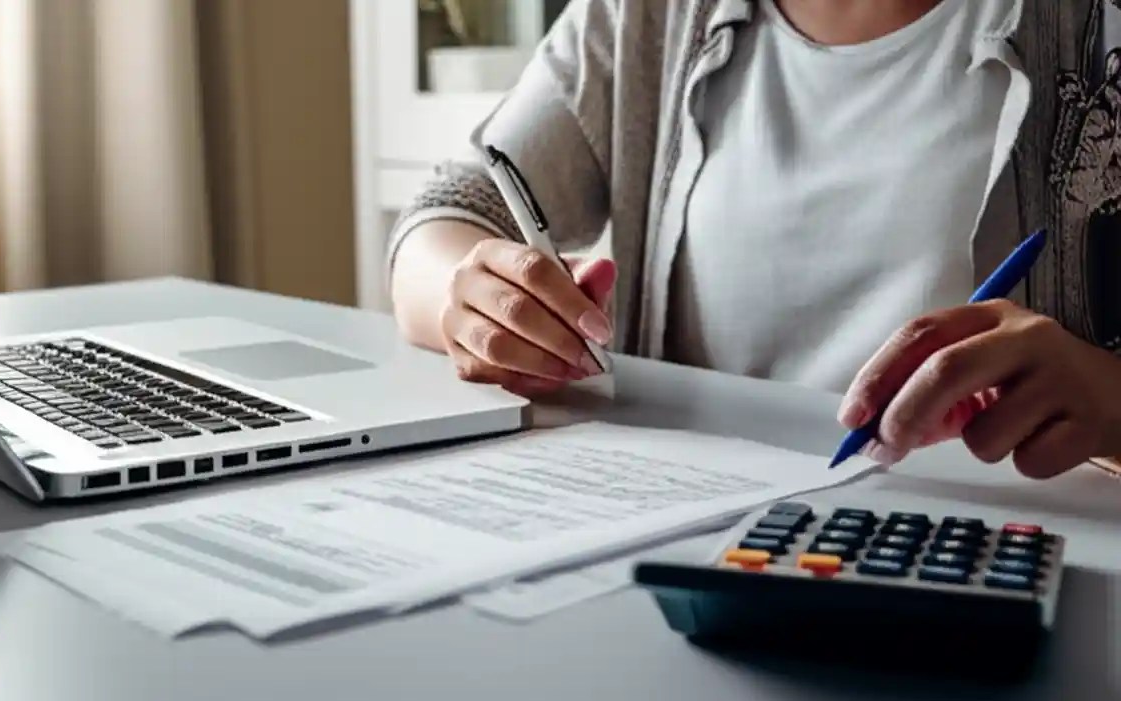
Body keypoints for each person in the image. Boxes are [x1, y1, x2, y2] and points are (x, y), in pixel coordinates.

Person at [387, 0, 1121, 479]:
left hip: (989, 568)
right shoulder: (649, 17)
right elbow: (453, 210)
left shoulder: (1096, 30)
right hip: (689, 551)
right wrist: (471, 299)